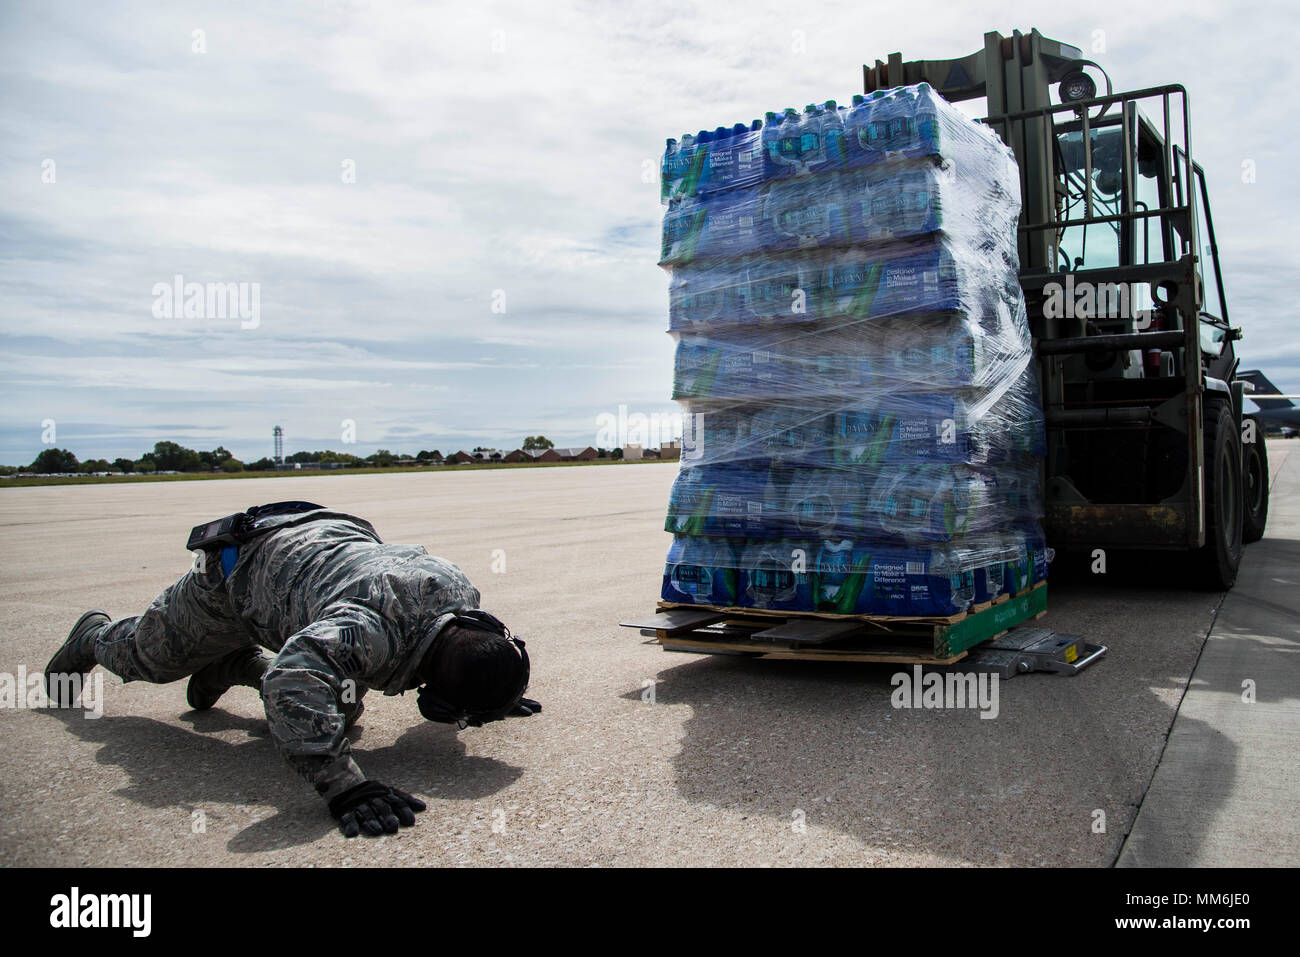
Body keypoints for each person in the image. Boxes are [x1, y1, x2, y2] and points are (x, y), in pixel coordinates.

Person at [44, 501, 539, 838]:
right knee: (149, 661)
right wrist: (346, 786)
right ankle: (94, 635)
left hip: (317, 545)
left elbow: (473, 651)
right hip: (236, 578)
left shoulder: (460, 595)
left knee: (337, 712)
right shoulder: (366, 633)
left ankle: (235, 663)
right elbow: (293, 680)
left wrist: (497, 690)